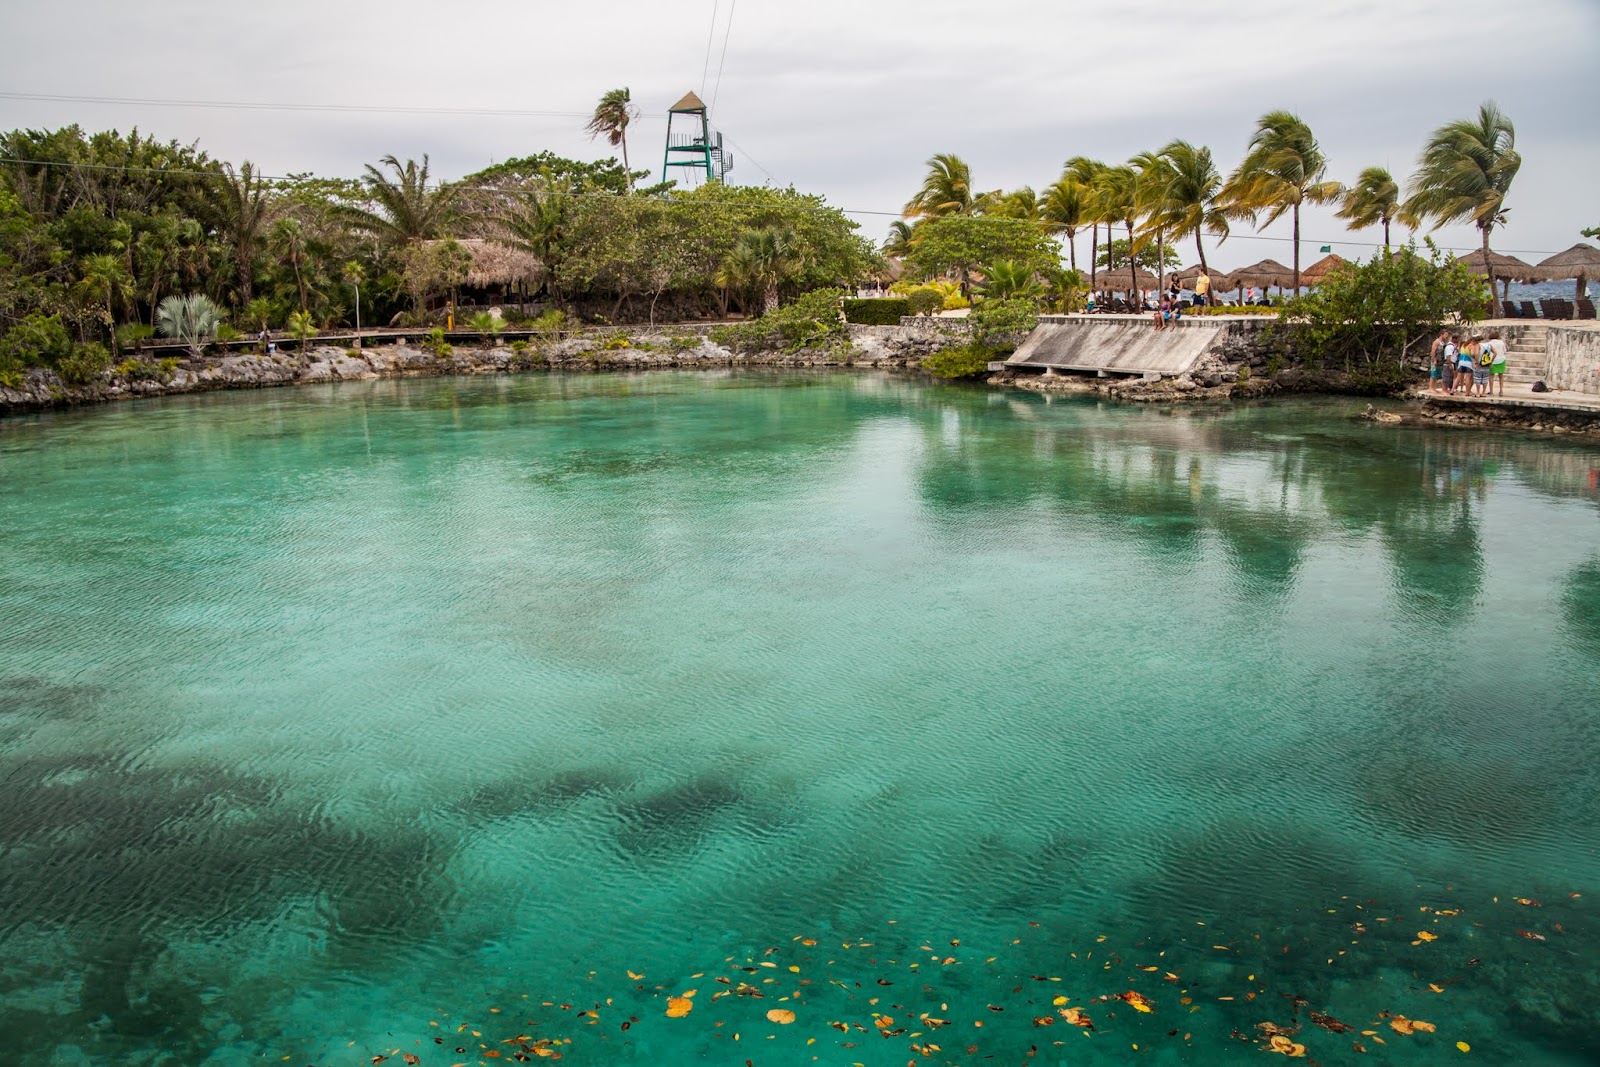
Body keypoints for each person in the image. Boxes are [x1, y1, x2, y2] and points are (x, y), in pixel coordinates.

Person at [1428, 328, 1449, 393]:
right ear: (1441, 334)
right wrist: (1434, 359)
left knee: (1437, 374)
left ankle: (1433, 387)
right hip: (1436, 360)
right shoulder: (1436, 342)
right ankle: (1430, 388)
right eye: (1445, 334)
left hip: (1441, 360)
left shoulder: (1443, 342)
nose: (1446, 336)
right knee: (1433, 374)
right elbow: (1433, 351)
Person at [1487, 329, 1508, 396]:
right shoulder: (1501, 342)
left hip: (1492, 360)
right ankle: (1501, 391)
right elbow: (1505, 351)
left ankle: (1491, 391)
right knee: (1501, 376)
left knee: (1491, 376)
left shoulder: (1489, 343)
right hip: (1501, 360)